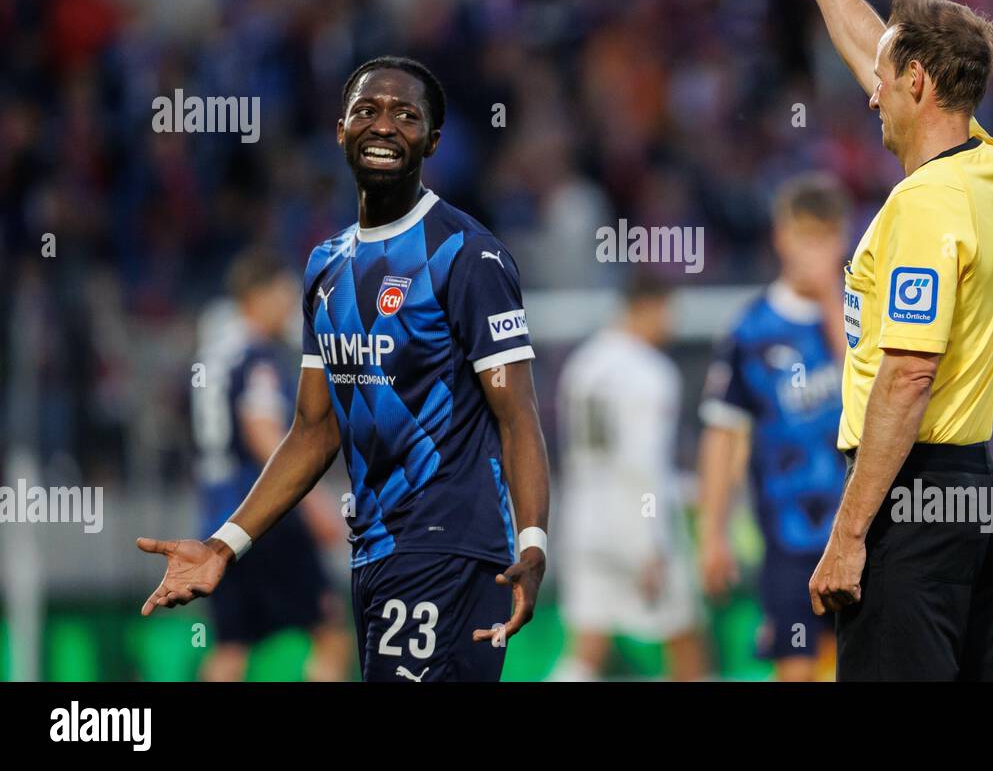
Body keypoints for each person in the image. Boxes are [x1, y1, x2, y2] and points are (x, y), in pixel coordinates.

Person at [139, 55, 551, 682]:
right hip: (375, 552)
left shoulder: (467, 255)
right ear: (340, 130)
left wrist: (533, 543)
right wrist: (225, 544)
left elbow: (517, 414)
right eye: (367, 110)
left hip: (451, 547)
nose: (384, 126)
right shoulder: (325, 266)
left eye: (406, 116)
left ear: (432, 141)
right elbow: (313, 430)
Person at [746, 0, 993, 680]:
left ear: (920, 84)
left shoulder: (924, 207)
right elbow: (875, 46)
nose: (870, 95)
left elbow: (907, 374)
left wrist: (848, 533)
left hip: (910, 500)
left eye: (887, 77)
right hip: (972, 491)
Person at [696, 174, 849, 681]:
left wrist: (833, 302)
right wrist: (712, 532)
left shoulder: (864, 316)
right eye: (804, 237)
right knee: (796, 670)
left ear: (842, 239)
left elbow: (871, 398)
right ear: (781, 237)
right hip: (789, 537)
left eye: (824, 238)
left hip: (862, 528)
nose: (813, 252)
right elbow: (724, 435)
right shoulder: (751, 331)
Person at [191, 249, 351, 681]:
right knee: (330, 631)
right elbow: (264, 434)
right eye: (282, 292)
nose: (289, 303)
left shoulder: (216, 353)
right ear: (255, 297)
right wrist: (313, 503)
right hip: (264, 514)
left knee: (230, 647)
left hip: (217, 516)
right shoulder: (258, 358)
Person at [551, 274, 707, 681]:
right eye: (668, 314)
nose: (670, 326)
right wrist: (651, 542)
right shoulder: (649, 372)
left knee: (585, 648)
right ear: (647, 308)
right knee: (685, 641)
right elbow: (642, 464)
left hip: (585, 519)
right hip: (636, 521)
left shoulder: (582, 363)